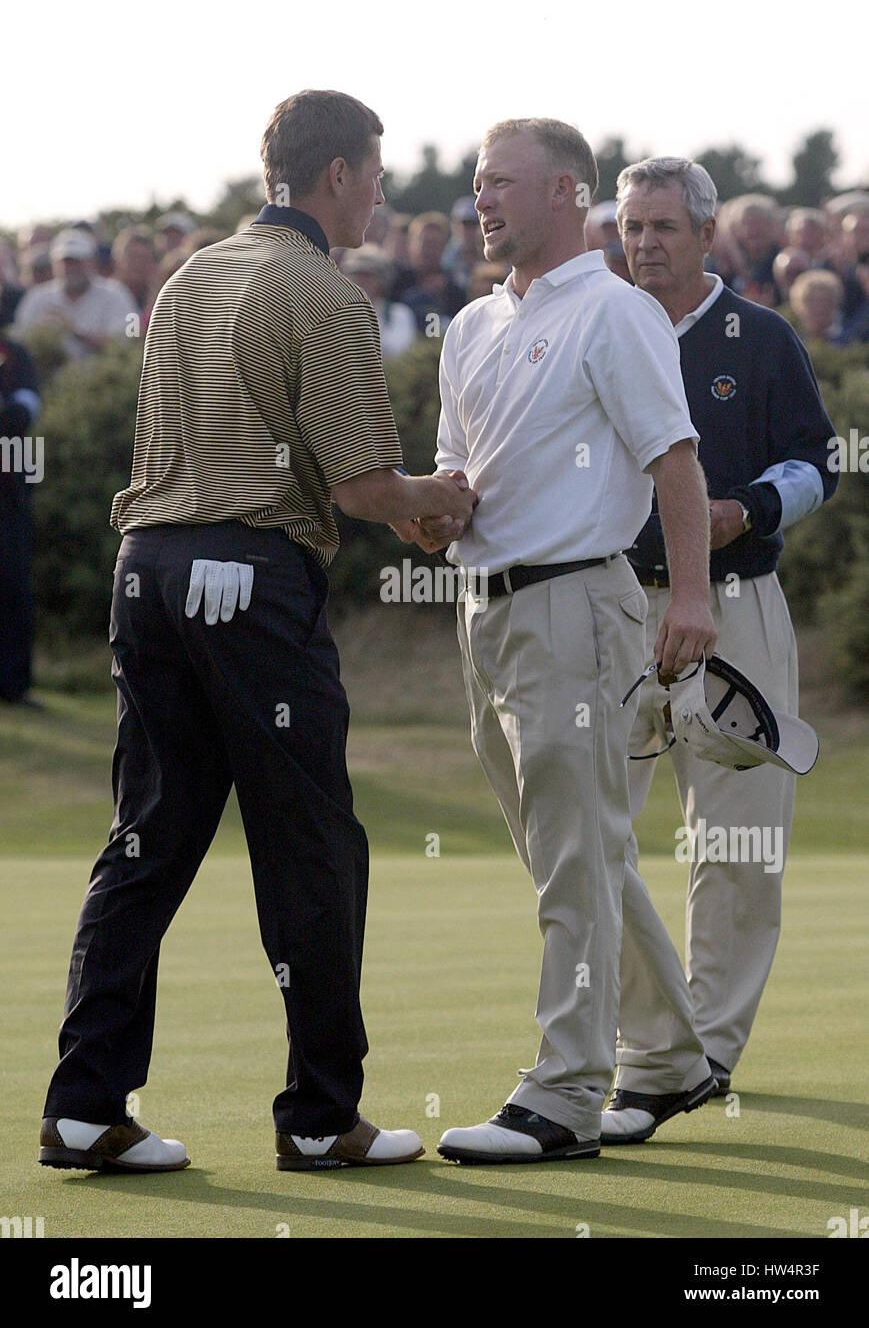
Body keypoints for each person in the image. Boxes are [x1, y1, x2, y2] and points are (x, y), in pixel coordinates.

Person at [39, 88, 476, 1176]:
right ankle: (322, 1117)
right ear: (336, 176)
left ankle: (84, 1107)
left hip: (144, 576)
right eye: (374, 175)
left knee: (147, 841)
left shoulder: (192, 269)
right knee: (312, 847)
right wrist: (448, 496)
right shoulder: (322, 288)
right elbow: (368, 483)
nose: (380, 193)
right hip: (249, 582)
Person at [397, 118, 717, 1165]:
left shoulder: (617, 312)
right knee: (570, 849)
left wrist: (691, 601)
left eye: (500, 182)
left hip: (577, 601)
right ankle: (670, 1055)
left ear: (564, 194)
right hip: (483, 610)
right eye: (477, 184)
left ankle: (565, 1091)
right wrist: (426, 507)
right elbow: (457, 470)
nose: (480, 201)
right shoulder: (469, 326)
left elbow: (673, 462)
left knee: (573, 855)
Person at [604, 157, 837, 1136]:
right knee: (587, 830)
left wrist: (747, 507)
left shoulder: (761, 335)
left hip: (736, 607)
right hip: (612, 608)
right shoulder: (595, 327)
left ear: (706, 235)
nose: (645, 241)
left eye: (664, 225)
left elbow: (815, 462)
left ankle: (705, 1053)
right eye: (632, 225)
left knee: (735, 841)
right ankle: (631, 1045)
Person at [14, 229, 137, 360]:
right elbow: (19, 340)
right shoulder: (36, 297)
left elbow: (128, 340)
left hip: (106, 378)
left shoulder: (116, 293)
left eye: (77, 261)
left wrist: (75, 330)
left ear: (92, 261)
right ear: (55, 264)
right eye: (66, 262)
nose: (71, 268)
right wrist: (41, 333)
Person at [0, 330, 41, 707]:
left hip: (8, 494)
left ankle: (14, 685)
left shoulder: (14, 353)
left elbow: (22, 414)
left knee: (12, 585)